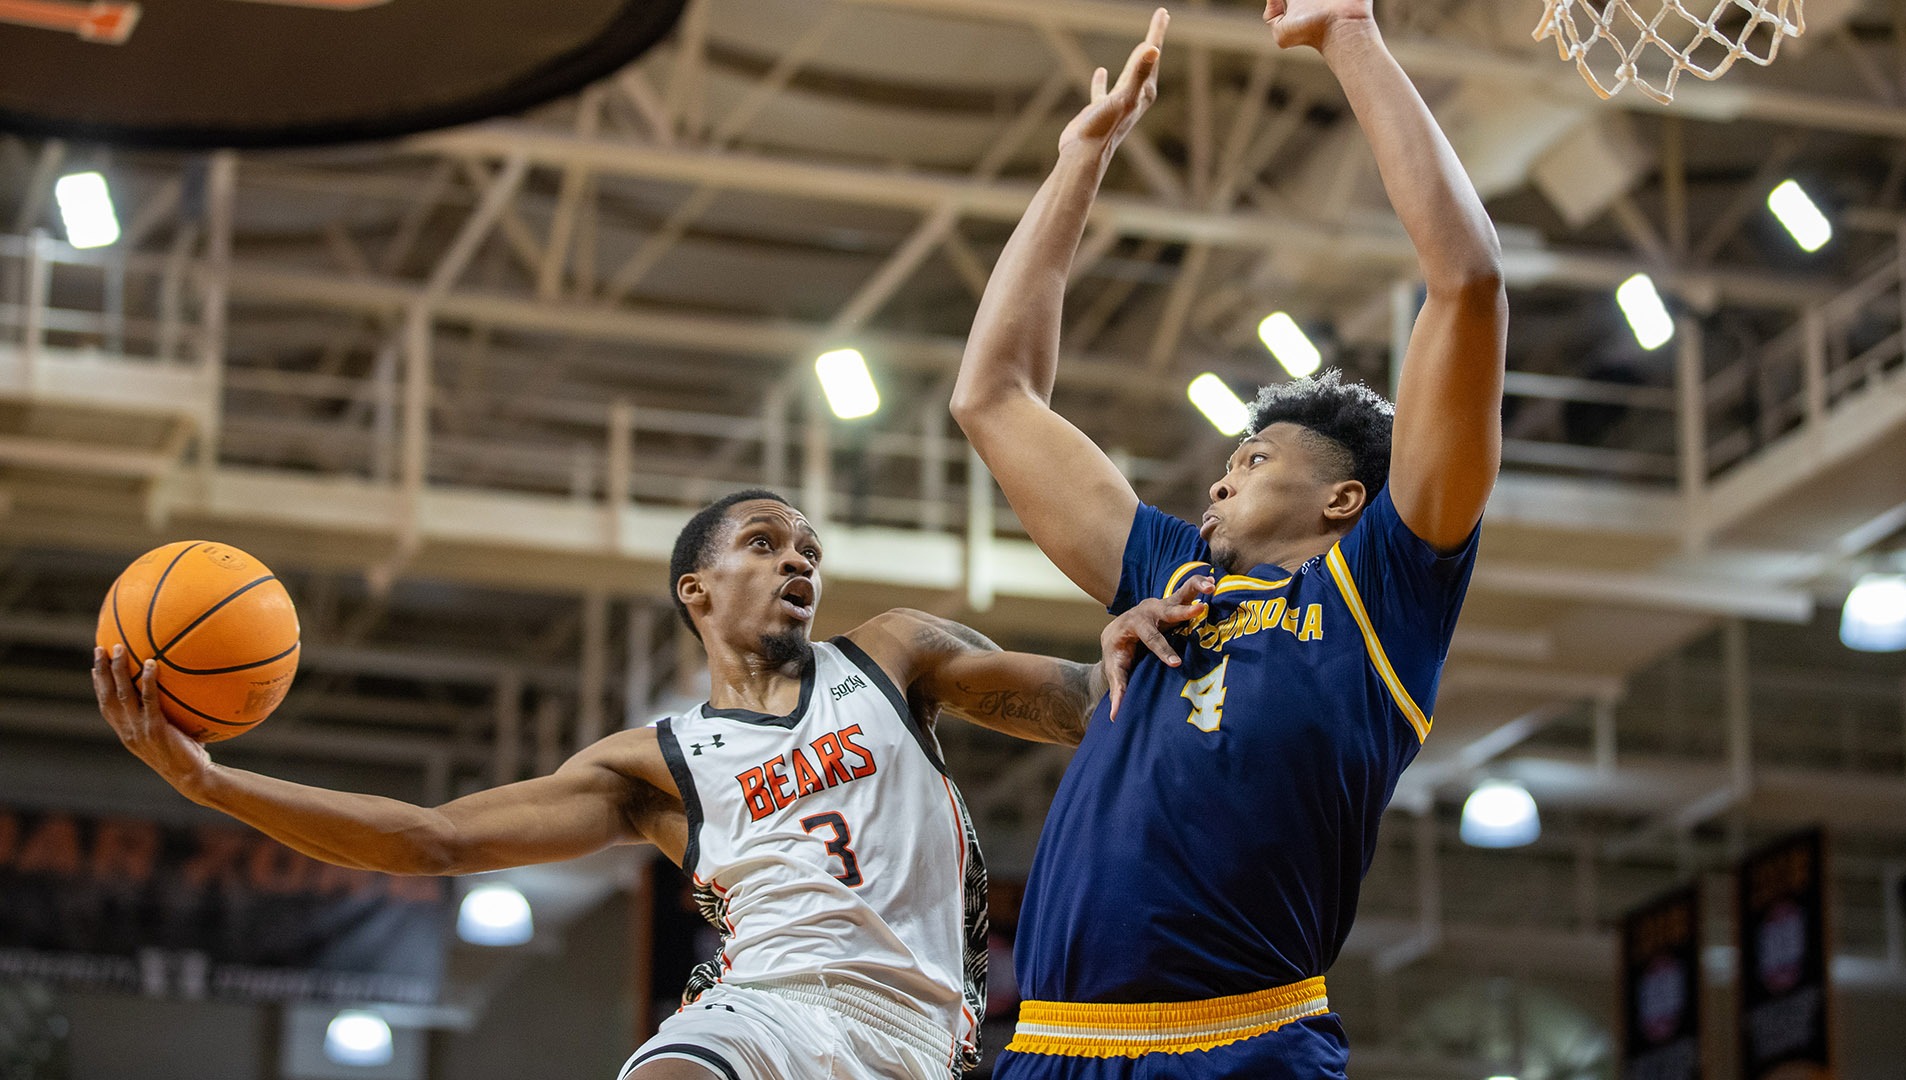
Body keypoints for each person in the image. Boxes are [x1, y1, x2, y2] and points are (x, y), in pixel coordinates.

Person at [93, 489, 1113, 1080]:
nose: (797, 558)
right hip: (766, 1008)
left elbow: (1080, 702)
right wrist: (209, 782)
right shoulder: (654, 766)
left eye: (808, 548)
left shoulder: (891, 656)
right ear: (697, 590)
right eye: (765, 541)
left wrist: (1166, 641)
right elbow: (430, 839)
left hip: (921, 1040)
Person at [949, 1, 1507, 1075]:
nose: (1218, 475)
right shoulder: (1172, 576)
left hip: (1242, 1047)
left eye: (1253, 459)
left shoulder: (1383, 584)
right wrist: (1081, 158)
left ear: (1343, 501)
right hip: (1049, 1050)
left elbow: (1467, 283)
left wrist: (1349, 33)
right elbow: (994, 395)